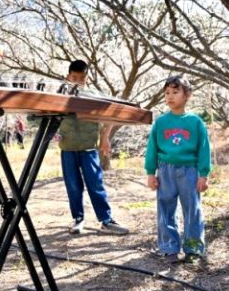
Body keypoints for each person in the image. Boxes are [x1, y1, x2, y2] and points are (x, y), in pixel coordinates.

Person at [57, 59, 129, 236]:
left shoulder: (93, 95)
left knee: (96, 184)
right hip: (68, 148)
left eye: (81, 79)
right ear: (68, 77)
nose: (77, 82)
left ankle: (106, 220)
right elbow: (47, 116)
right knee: (73, 186)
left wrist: (105, 138)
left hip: (89, 148)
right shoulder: (60, 95)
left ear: (86, 79)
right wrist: (53, 133)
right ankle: (78, 219)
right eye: (74, 78)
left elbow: (111, 115)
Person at [145, 76, 211, 265]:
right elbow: (152, 149)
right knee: (165, 208)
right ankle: (169, 248)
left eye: (175, 92)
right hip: (165, 170)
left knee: (193, 209)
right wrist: (151, 173)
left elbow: (204, 149)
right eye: (167, 93)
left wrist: (203, 174)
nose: (170, 97)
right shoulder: (161, 122)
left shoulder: (195, 122)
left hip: (190, 170)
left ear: (187, 95)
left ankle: (193, 248)